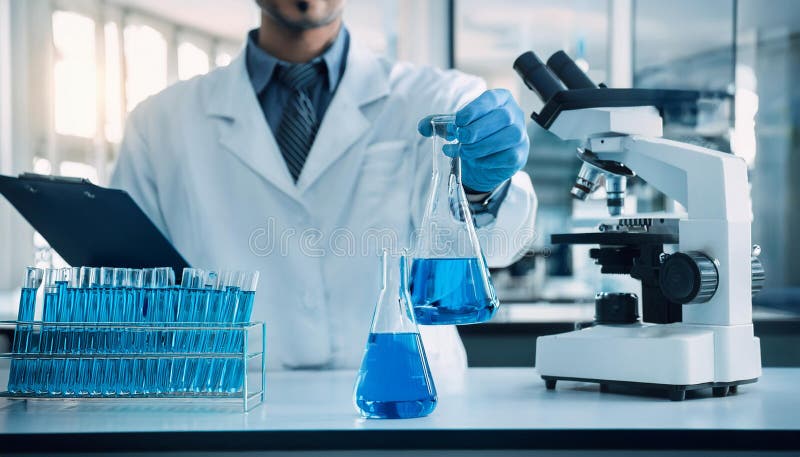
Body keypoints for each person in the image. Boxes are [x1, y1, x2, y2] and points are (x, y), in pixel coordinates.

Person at [111, 0, 537, 371]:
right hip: (229, 401)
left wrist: (480, 191)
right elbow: (125, 288)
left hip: (405, 400)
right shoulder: (160, 123)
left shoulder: (441, 97)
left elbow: (503, 248)